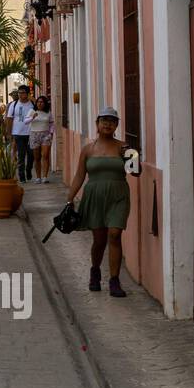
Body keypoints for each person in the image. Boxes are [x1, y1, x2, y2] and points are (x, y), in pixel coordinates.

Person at [65, 106, 132, 297]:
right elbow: (79, 175)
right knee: (99, 240)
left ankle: (114, 281)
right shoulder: (88, 149)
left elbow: (135, 172)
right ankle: (95, 271)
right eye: (104, 120)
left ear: (117, 125)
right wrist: (69, 198)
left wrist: (131, 155)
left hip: (118, 195)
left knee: (114, 234)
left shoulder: (124, 147)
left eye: (112, 121)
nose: (108, 124)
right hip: (94, 197)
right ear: (97, 124)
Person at [4, 85, 34, 182]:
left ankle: (28, 170)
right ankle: (22, 177)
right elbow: (9, 119)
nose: (20, 95)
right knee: (21, 155)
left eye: (23, 93)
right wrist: (9, 133)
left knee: (31, 155)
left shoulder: (32, 103)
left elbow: (41, 107)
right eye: (19, 93)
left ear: (27, 94)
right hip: (18, 133)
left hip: (31, 133)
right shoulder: (14, 104)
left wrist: (32, 98)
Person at [27, 95, 54, 183]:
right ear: (36, 103)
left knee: (45, 155)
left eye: (42, 102)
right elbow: (25, 122)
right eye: (38, 102)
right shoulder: (32, 111)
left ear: (45, 103)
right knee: (37, 157)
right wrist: (32, 117)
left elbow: (51, 123)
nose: (40, 103)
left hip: (46, 135)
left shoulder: (48, 112)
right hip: (34, 135)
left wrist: (51, 133)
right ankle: (38, 177)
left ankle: (45, 177)